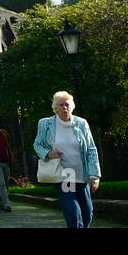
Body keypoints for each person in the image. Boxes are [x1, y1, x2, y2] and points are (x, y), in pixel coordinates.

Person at [33, 90, 100, 228]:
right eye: (61, 105)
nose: (64, 107)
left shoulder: (82, 123)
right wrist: (48, 154)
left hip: (82, 174)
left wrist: (94, 175)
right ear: (55, 108)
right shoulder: (46, 124)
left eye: (67, 104)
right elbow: (37, 144)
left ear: (72, 106)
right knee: (74, 215)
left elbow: (91, 150)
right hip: (64, 175)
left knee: (87, 213)